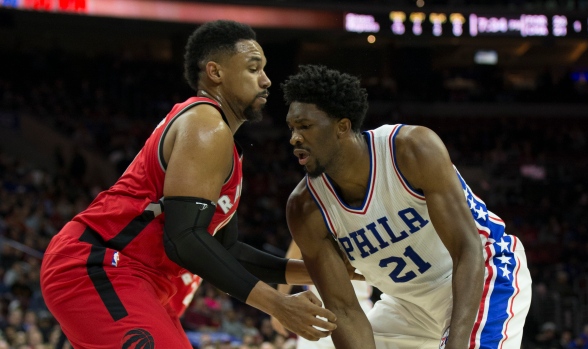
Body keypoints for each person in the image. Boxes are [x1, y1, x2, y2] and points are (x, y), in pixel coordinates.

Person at [40, 21, 346, 349]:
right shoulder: (205, 126)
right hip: (102, 265)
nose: (266, 80)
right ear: (215, 72)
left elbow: (226, 251)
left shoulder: (222, 144)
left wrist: (318, 270)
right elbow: (184, 239)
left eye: (265, 70)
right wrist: (278, 304)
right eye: (253, 68)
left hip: (135, 279)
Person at [281, 65, 532, 349]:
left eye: (305, 126)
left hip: (482, 277)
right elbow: (345, 310)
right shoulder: (304, 208)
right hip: (405, 304)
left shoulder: (411, 149)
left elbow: (467, 250)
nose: (294, 138)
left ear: (342, 126)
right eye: (291, 128)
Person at [271, 240, 374, 349]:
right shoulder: (311, 227)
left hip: (354, 311)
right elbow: (289, 262)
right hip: (322, 315)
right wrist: (278, 306)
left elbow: (289, 261)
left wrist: (278, 306)